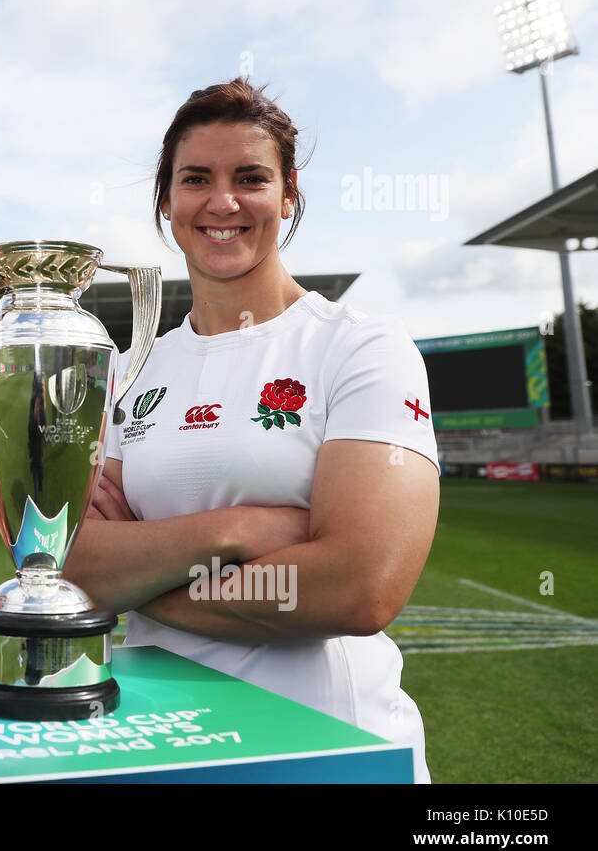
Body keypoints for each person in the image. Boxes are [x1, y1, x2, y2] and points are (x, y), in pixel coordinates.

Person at [63, 78, 440, 783]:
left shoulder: (361, 348)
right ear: (166, 203)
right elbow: (75, 566)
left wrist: (143, 582)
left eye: (251, 178)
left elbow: (360, 586)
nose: (222, 202)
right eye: (196, 179)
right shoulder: (129, 369)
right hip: (158, 743)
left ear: (288, 193)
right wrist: (233, 531)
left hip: (330, 753)